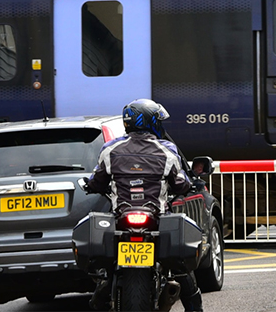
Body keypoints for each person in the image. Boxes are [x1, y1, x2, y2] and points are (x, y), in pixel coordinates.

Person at [84, 99, 203, 312]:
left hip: (121, 216)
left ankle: (100, 300)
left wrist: (90, 185)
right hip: (156, 216)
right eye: (158, 121)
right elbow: (180, 183)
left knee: (108, 270)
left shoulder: (110, 149)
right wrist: (190, 185)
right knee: (181, 268)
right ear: (149, 122)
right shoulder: (167, 149)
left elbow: (97, 181)